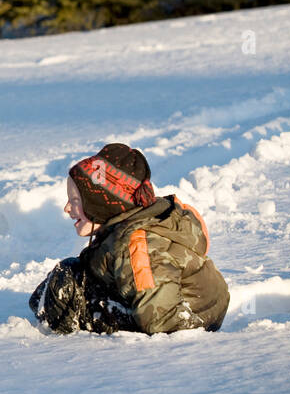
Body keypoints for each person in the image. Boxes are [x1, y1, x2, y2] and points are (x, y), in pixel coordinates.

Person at [30, 143, 229, 335]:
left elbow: (161, 320)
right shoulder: (125, 227)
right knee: (69, 276)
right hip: (171, 307)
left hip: (185, 319)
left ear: (102, 204)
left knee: (66, 289)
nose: (67, 208)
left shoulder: (138, 246)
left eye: (75, 201)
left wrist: (95, 317)